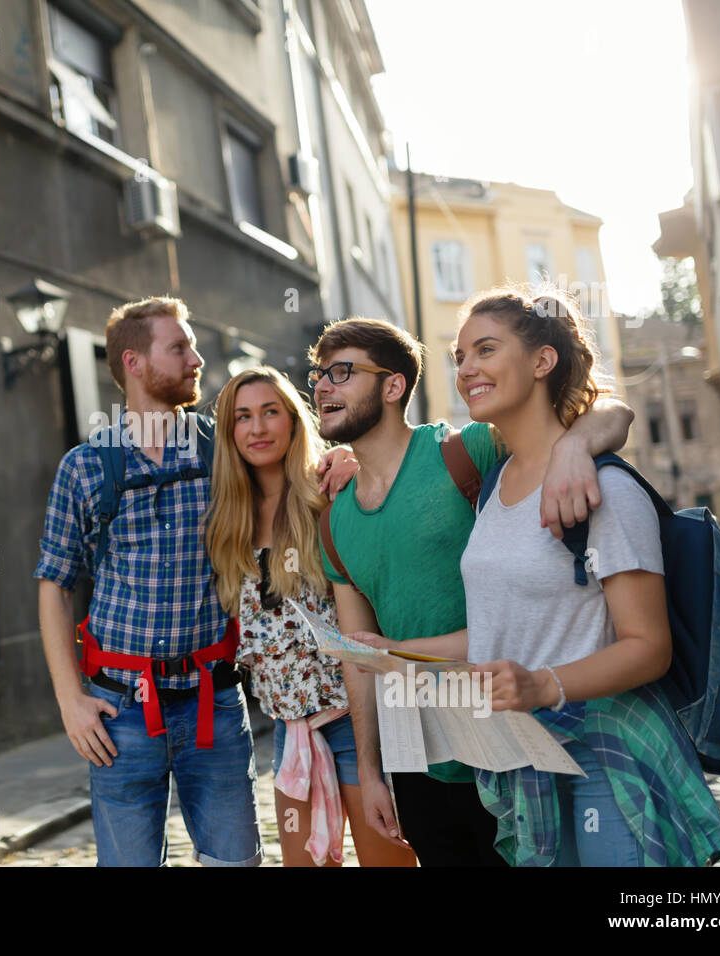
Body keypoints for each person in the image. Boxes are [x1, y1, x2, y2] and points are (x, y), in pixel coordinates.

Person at [33, 296, 355, 867]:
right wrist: (70, 701)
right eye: (179, 347)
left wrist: (344, 461)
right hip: (119, 710)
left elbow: (294, 467)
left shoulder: (224, 449)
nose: (197, 357)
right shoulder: (85, 467)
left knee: (237, 862)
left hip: (214, 701)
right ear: (134, 363)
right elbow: (54, 584)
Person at [309, 316, 635, 866]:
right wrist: (372, 772)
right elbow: (360, 657)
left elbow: (613, 411)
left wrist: (576, 448)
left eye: (343, 372)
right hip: (423, 762)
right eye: (319, 373)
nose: (322, 385)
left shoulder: (464, 452)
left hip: (520, 748)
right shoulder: (333, 521)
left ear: (393, 386)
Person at [446, 287, 720, 866]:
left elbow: (648, 648)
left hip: (607, 755)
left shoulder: (605, 488)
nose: (467, 368)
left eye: (485, 349)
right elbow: (504, 631)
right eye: (459, 357)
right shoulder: (493, 484)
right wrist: (386, 650)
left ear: (542, 362)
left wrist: (543, 686)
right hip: (529, 758)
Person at [205, 366, 417, 867]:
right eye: (242, 417)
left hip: (358, 719)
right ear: (229, 432)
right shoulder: (227, 522)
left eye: (270, 412)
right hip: (292, 731)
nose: (257, 428)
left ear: (293, 422)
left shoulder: (328, 492)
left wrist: (350, 460)